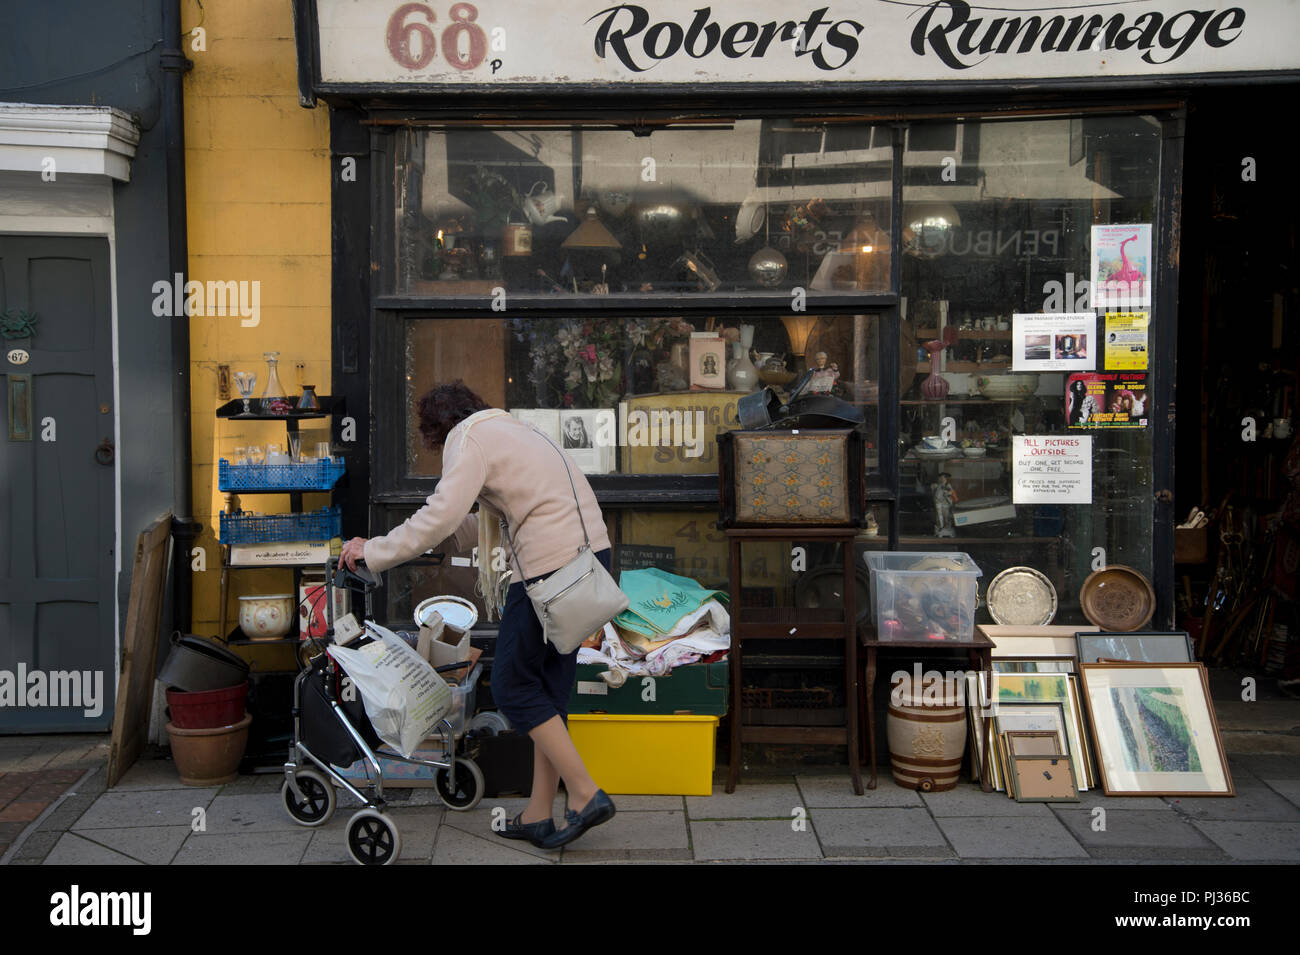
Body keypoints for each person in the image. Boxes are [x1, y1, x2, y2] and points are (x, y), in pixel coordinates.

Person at [340, 381, 615, 850]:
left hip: (550, 572)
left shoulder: (466, 438)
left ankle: (586, 794)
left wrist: (375, 551)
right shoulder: (511, 429)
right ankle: (538, 814)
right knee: (546, 692)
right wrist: (433, 541)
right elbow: (487, 516)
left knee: (511, 687)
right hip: (589, 563)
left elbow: (440, 514)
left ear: (436, 429)